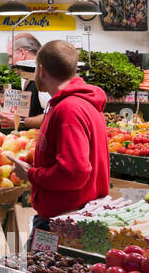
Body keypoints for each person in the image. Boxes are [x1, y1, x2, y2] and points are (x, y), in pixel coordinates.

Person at [9, 40, 109, 241]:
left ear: (41, 70)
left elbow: (75, 172)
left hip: (63, 224)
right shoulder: (82, 104)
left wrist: (31, 174)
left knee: (40, 272)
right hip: (77, 217)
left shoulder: (68, 110)